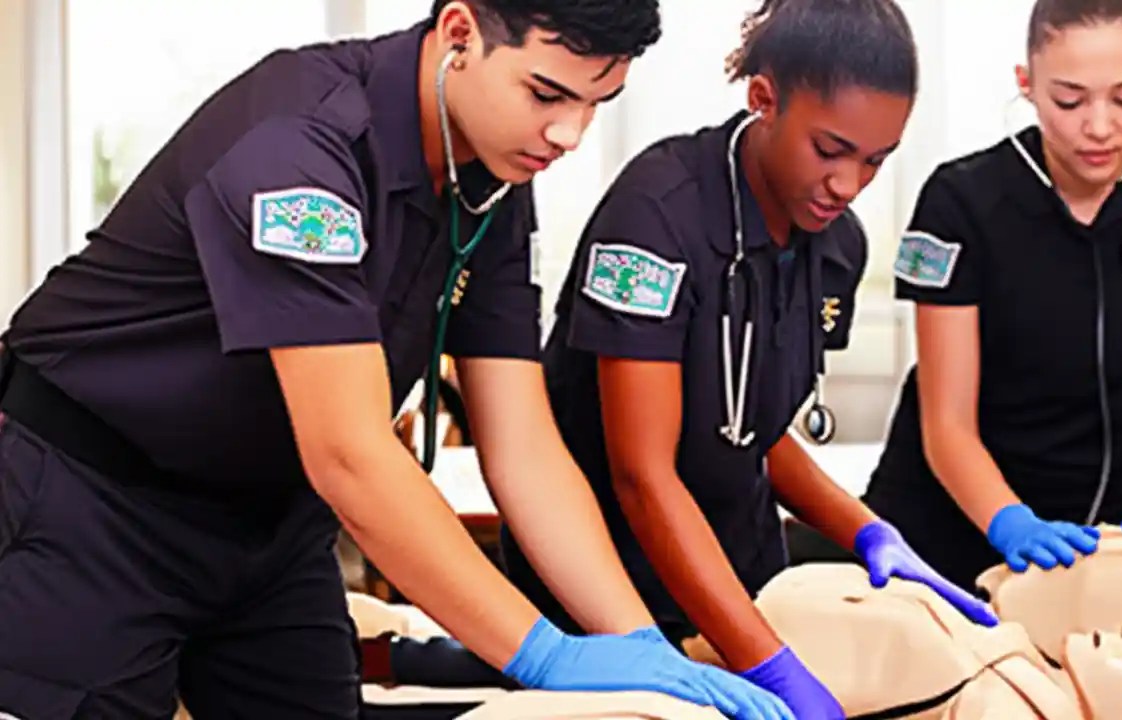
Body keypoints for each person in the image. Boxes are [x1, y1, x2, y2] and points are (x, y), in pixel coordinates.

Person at [0, 2, 796, 719]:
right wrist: (542, 653)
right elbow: (349, 454)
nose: (570, 135)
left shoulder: (491, 178)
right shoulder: (299, 144)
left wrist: (635, 643)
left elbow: (521, 443)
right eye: (548, 94)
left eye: (597, 103)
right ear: (460, 33)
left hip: (270, 523)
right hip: (92, 503)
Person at [500, 0, 998, 717]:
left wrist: (866, 531)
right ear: (764, 99)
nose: (849, 185)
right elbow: (643, 474)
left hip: (742, 582)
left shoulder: (838, 246)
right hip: (610, 600)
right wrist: (769, 663)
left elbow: (751, 431)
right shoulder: (657, 216)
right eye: (829, 150)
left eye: (875, 160)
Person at [862, 0, 1122, 594]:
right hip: (945, 534)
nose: (1100, 126)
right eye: (1069, 100)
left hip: (1098, 535)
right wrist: (1010, 525)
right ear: (1028, 86)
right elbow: (948, 423)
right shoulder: (961, 203)